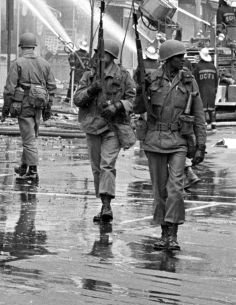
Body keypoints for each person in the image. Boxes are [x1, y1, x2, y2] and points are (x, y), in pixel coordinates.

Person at [133, 39, 207, 251]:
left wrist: (201, 145)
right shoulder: (151, 79)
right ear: (167, 59)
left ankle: (173, 235)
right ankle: (164, 232)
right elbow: (138, 109)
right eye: (178, 57)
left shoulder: (188, 81)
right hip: (155, 139)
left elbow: (199, 115)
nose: (183, 60)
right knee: (160, 191)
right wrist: (140, 91)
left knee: (176, 189)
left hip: (179, 141)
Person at [72, 39, 135, 224]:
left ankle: (107, 205)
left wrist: (118, 106)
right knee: (97, 168)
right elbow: (77, 99)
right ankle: (102, 205)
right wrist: (91, 90)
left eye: (103, 53)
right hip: (92, 127)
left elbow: (134, 100)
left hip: (113, 127)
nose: (99, 56)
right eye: (98, 52)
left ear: (112, 56)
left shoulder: (123, 76)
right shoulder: (89, 75)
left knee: (107, 164)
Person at [2, 32, 56, 183]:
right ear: (34, 47)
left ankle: (32, 171)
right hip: (39, 105)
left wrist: (6, 108)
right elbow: (52, 87)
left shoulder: (17, 63)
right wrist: (48, 108)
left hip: (24, 105)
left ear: (21, 47)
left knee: (28, 139)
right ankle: (24, 166)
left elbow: (9, 89)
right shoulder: (45, 64)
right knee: (31, 136)